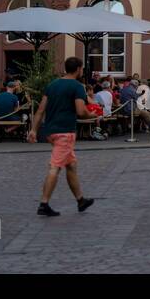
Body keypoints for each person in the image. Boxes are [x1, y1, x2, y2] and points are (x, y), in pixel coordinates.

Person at [28, 56, 96, 216]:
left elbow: (40, 109)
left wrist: (33, 130)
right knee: (55, 167)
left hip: (51, 130)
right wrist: (92, 115)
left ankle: (81, 200)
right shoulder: (77, 86)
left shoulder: (52, 85)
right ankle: (44, 204)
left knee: (71, 165)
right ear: (78, 69)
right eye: (82, 69)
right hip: (65, 131)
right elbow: (80, 111)